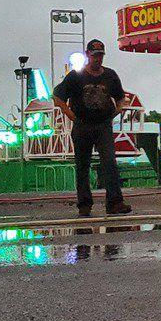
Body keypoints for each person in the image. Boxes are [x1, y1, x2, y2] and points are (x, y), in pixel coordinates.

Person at [53, 38, 132, 218]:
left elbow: (120, 97)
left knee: (109, 162)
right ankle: (84, 205)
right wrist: (70, 115)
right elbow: (58, 96)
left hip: (103, 125)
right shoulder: (75, 76)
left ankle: (114, 202)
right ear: (88, 55)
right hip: (82, 125)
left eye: (101, 56)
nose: (98, 59)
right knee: (82, 165)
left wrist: (116, 111)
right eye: (95, 55)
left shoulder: (110, 75)